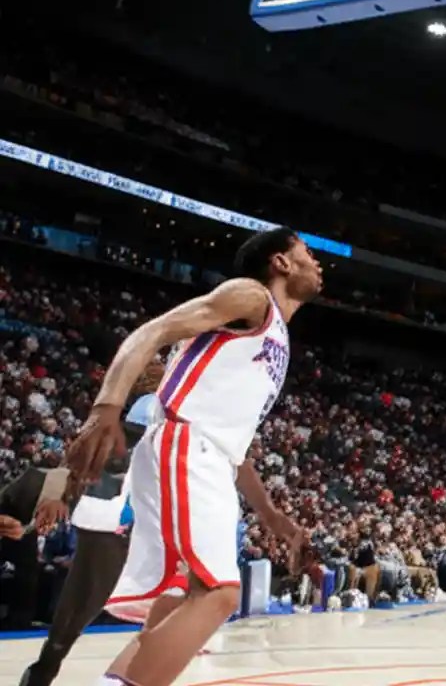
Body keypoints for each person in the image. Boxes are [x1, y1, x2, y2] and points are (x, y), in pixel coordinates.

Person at [63, 227, 321, 686]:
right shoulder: (252, 297)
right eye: (308, 252)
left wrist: (271, 516)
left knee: (181, 598)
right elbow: (155, 330)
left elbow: (235, 448)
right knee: (219, 593)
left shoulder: (275, 339)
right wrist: (107, 407)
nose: (318, 263)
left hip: (209, 456)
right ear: (281, 262)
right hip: (187, 445)